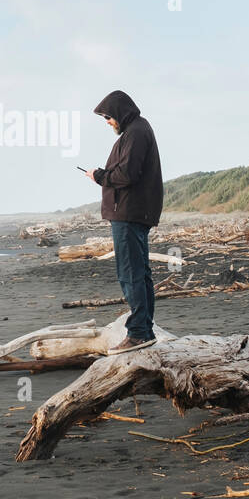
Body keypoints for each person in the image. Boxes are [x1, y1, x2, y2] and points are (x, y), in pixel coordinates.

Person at [84, 90, 164, 354]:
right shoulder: (137, 130)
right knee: (139, 274)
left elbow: (127, 174)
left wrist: (99, 176)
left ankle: (140, 333)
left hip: (129, 213)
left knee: (131, 274)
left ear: (119, 112)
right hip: (132, 213)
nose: (107, 122)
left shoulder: (136, 132)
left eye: (108, 117)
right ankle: (144, 330)